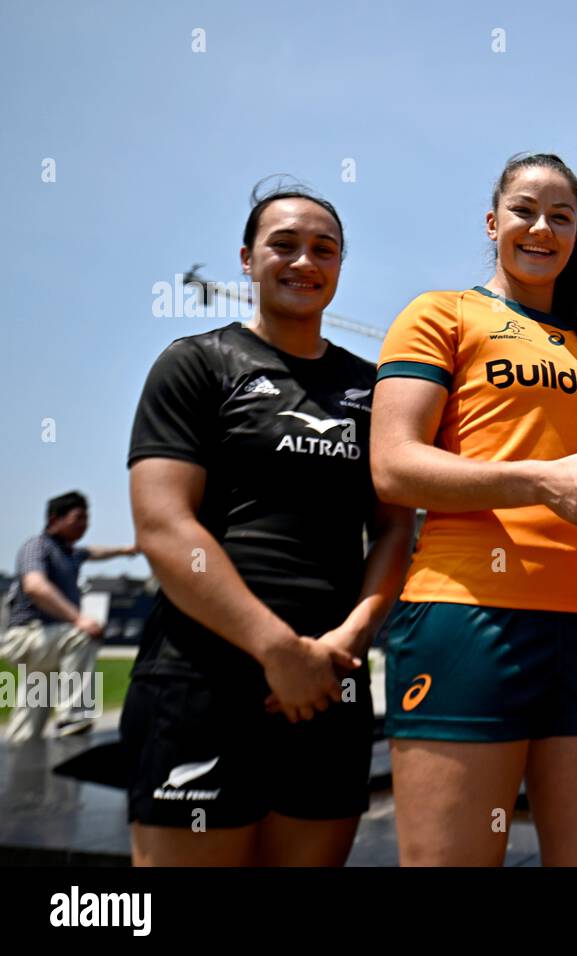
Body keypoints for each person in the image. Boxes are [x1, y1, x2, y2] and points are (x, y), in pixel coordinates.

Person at [371, 153, 577, 867]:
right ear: (493, 220)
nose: (542, 228)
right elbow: (394, 465)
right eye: (526, 210)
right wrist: (537, 481)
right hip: (468, 616)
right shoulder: (441, 313)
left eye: (560, 216)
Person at [120, 181, 413, 866]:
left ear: (340, 267)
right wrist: (278, 650)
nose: (304, 262)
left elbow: (395, 530)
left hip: (328, 688)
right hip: (201, 681)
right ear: (247, 258)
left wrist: (344, 642)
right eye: (283, 245)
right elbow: (163, 525)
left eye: (324, 249)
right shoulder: (195, 363)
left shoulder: (372, 391)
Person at [1, 492, 136, 743]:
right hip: (27, 637)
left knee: (28, 722)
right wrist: (78, 619)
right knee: (83, 634)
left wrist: (126, 550)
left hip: (50, 643)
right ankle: (76, 715)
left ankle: (17, 761)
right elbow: (34, 586)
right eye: (78, 517)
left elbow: (94, 552)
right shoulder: (37, 546)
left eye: (87, 518)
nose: (85, 524)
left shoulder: (71, 553)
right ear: (55, 518)